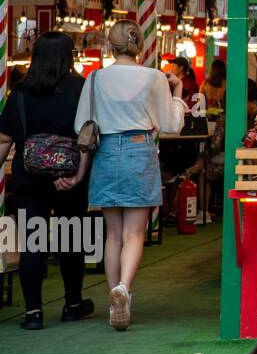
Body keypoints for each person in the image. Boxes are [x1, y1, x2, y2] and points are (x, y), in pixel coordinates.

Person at [72, 20, 187, 331]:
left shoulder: (95, 78)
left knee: (114, 234)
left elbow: (81, 122)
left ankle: (115, 295)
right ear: (138, 46)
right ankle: (124, 288)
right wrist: (177, 92)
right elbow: (172, 124)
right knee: (135, 234)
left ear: (111, 45)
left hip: (106, 151)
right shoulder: (153, 77)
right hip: (139, 148)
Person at [0, 32, 92, 330]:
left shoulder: (20, 93)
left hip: (30, 179)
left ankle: (33, 313)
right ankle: (72, 304)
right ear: (68, 56)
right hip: (69, 178)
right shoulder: (80, 88)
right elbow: (88, 137)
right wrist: (78, 174)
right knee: (71, 240)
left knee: (32, 244)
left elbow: (3, 139)